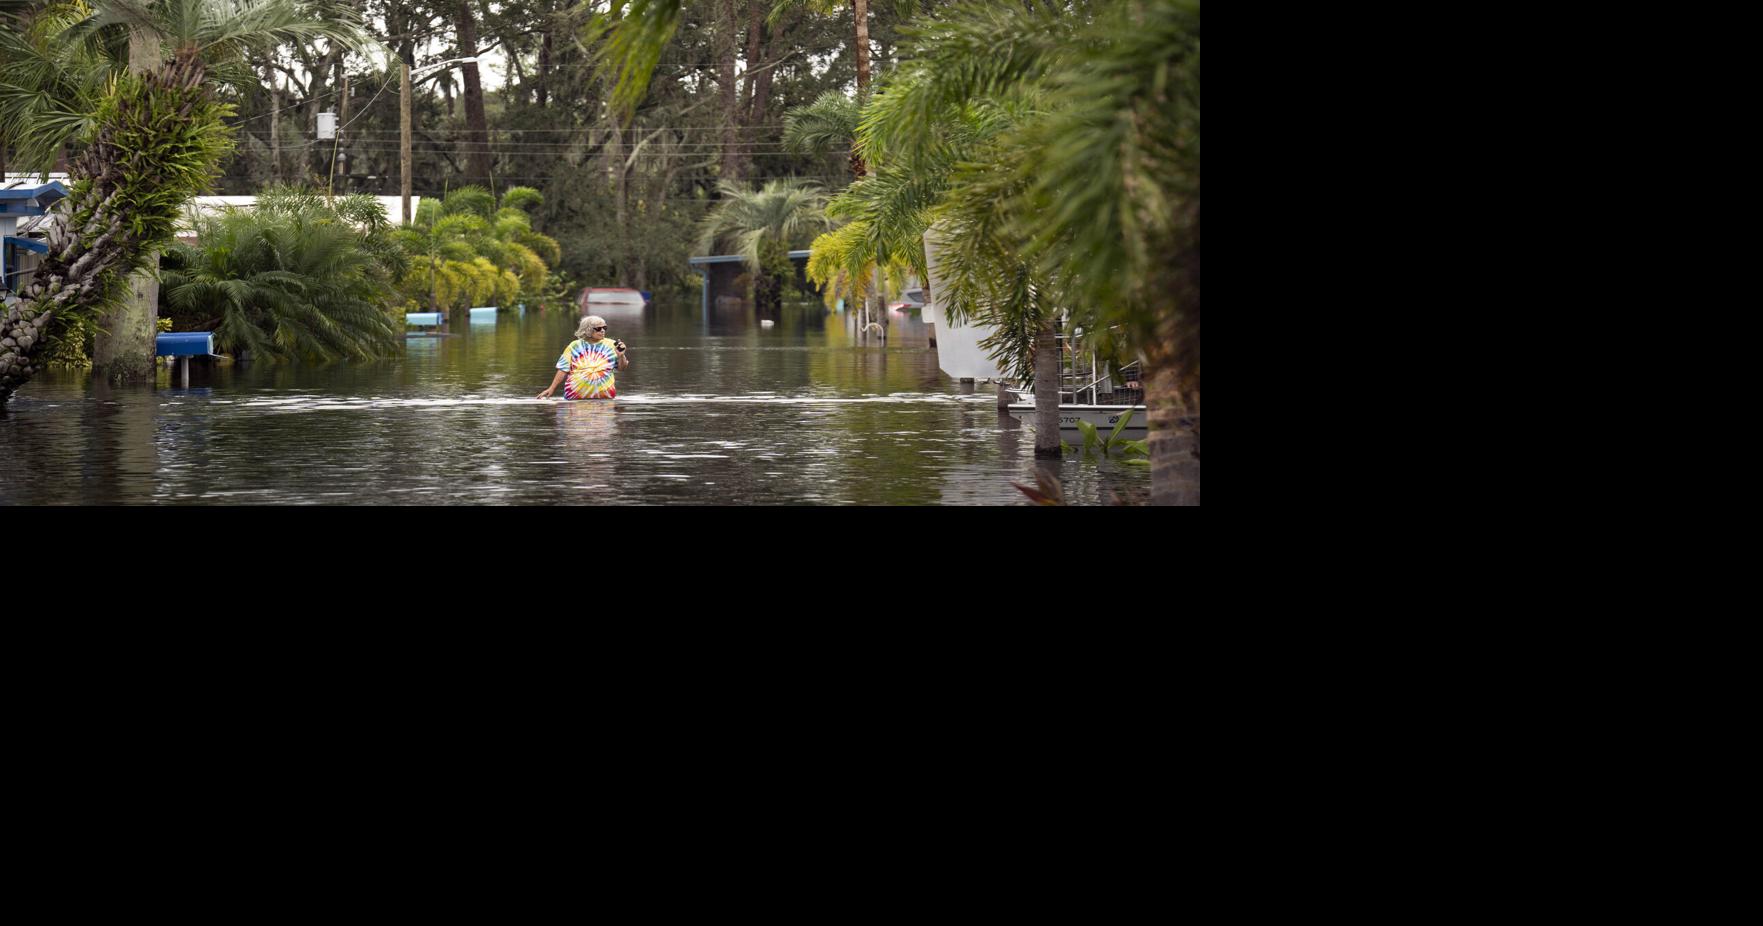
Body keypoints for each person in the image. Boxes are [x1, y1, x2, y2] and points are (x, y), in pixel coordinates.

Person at [537, 315, 629, 399]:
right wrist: (551, 388)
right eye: (598, 328)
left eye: (604, 328)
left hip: (605, 397)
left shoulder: (612, 345)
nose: (602, 330)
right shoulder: (574, 346)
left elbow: (622, 368)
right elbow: (562, 369)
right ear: (588, 329)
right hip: (575, 397)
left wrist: (621, 356)